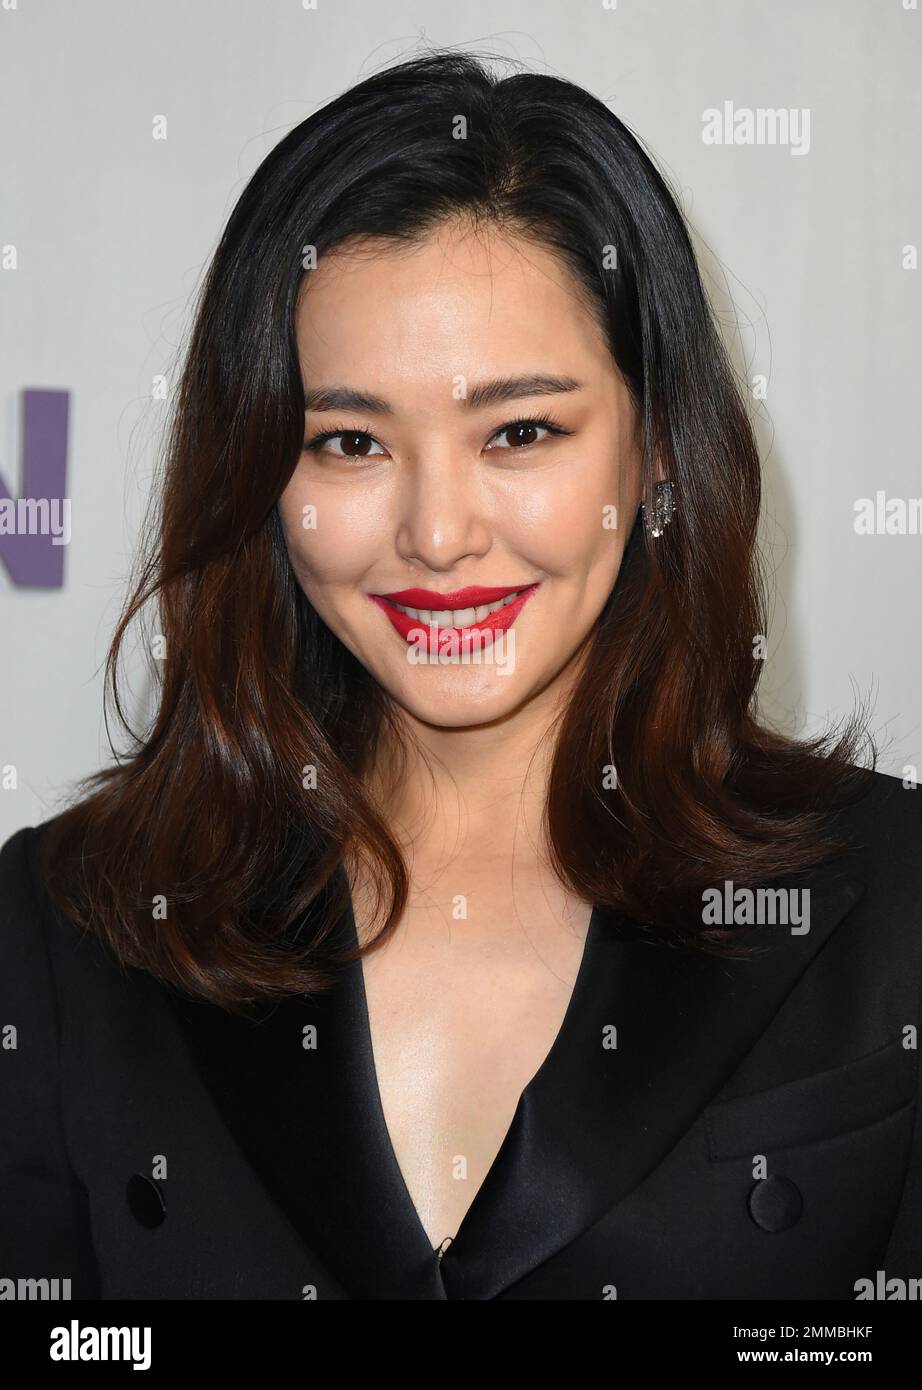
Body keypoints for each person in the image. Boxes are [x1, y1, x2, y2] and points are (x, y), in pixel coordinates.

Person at [1, 49, 920, 1302]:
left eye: (520, 431)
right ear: (263, 476)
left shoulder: (889, 899)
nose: (437, 535)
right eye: (350, 441)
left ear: (654, 449)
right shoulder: (64, 929)